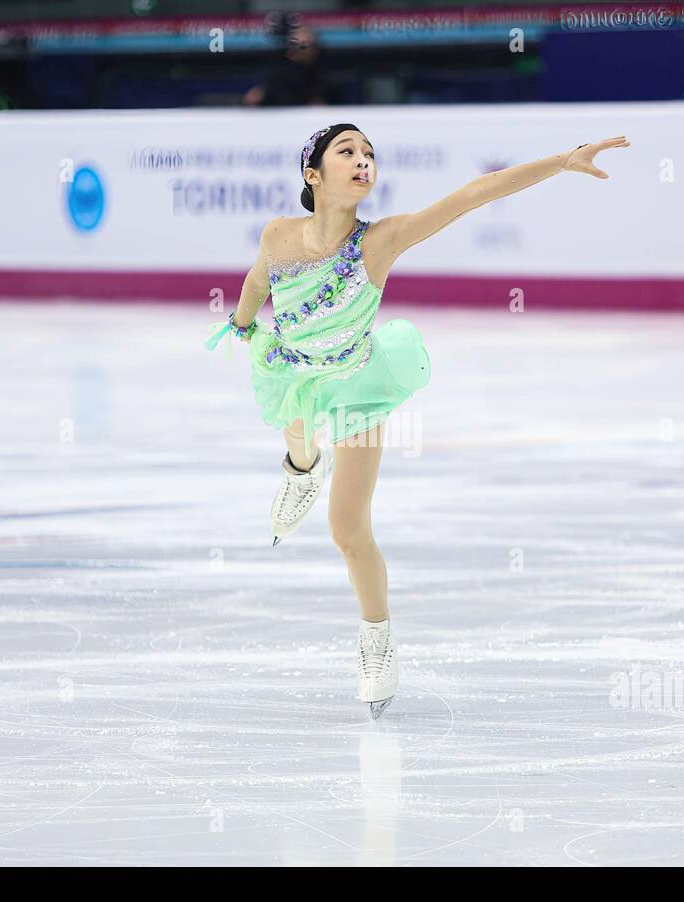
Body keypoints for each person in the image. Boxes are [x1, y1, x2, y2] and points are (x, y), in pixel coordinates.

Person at [206, 123, 630, 718]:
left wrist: (562, 161)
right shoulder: (278, 235)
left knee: (348, 531)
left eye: (369, 154)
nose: (362, 161)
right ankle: (301, 470)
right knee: (294, 415)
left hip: (357, 385)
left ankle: (376, 636)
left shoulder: (380, 241)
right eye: (346, 152)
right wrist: (245, 326)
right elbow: (256, 280)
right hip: (295, 367)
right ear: (313, 175)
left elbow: (471, 195)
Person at [243, 26, 328, 107]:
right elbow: (267, 86)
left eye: (305, 45)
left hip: (304, 114)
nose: (300, 48)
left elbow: (321, 96)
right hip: (278, 112)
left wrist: (318, 101)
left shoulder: (320, 69)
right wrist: (259, 92)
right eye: (296, 44)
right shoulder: (279, 65)